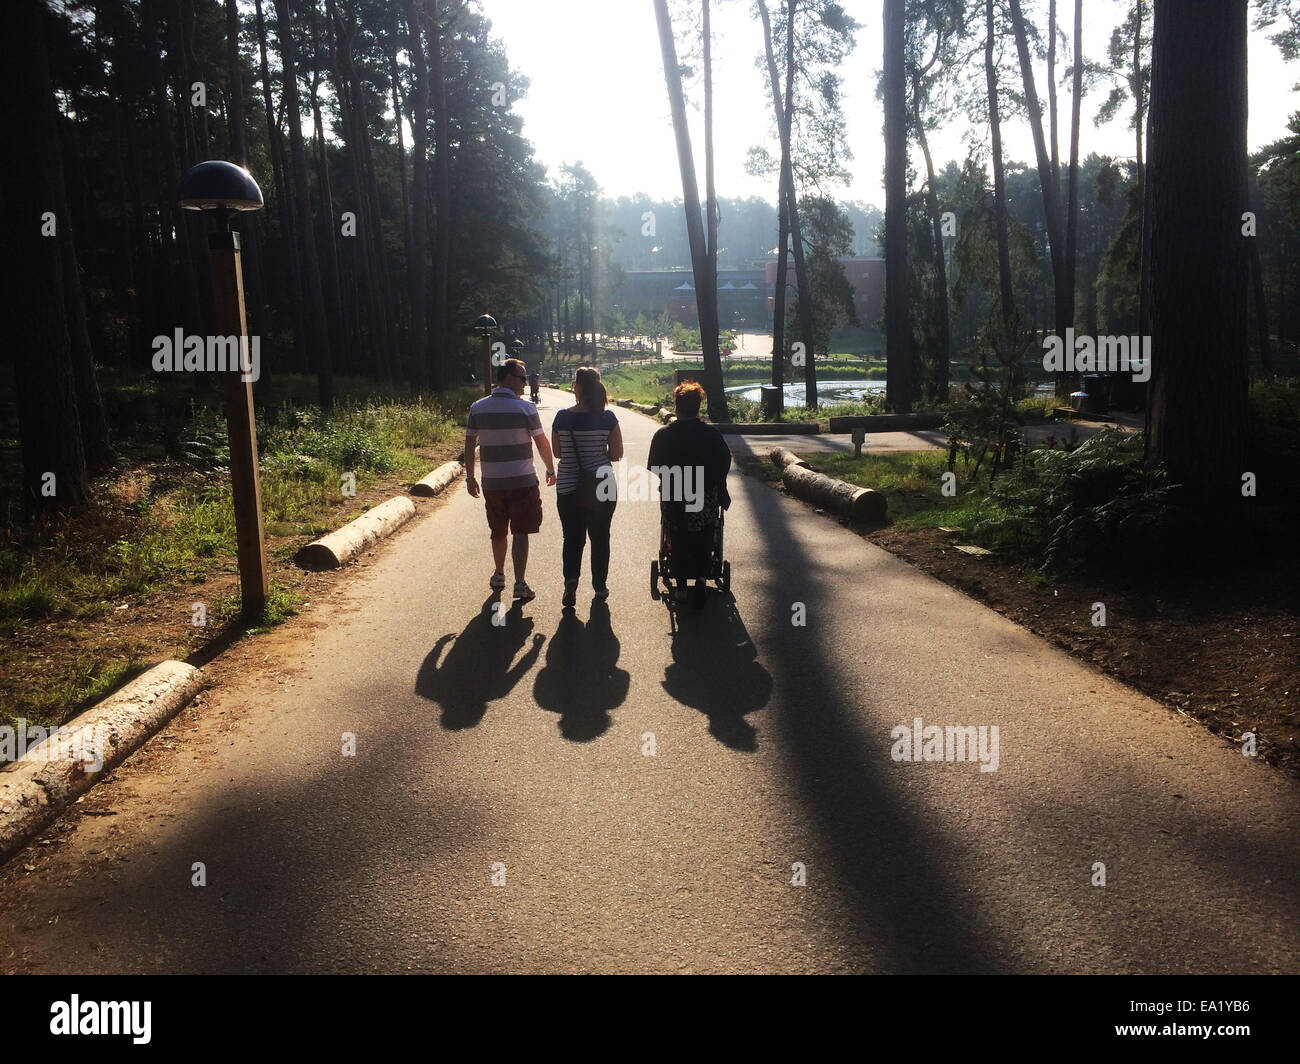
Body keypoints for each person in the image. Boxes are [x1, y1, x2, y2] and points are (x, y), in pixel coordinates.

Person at [464, 357, 556, 602]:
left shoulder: (478, 407)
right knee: (521, 531)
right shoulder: (526, 409)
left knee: (498, 530)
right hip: (522, 481)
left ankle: (498, 574)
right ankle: (520, 583)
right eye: (522, 378)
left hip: (492, 482)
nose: (526, 383)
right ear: (508, 378)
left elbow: (470, 441)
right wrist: (550, 469)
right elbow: (541, 442)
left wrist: (470, 477)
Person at [648, 381, 731, 609]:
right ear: (698, 406)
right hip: (704, 497)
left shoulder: (663, 435)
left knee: (677, 534)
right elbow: (724, 462)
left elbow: (655, 466)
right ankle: (702, 578)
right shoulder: (712, 435)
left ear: (676, 406)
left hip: (675, 497)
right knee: (705, 532)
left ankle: (682, 586)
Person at [552, 366, 623, 608]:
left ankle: (571, 581)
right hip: (602, 485)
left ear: (577, 387)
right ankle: (600, 588)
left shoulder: (562, 417)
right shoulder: (608, 418)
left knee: (572, 538)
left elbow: (557, 452)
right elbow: (617, 454)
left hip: (568, 487)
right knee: (600, 538)